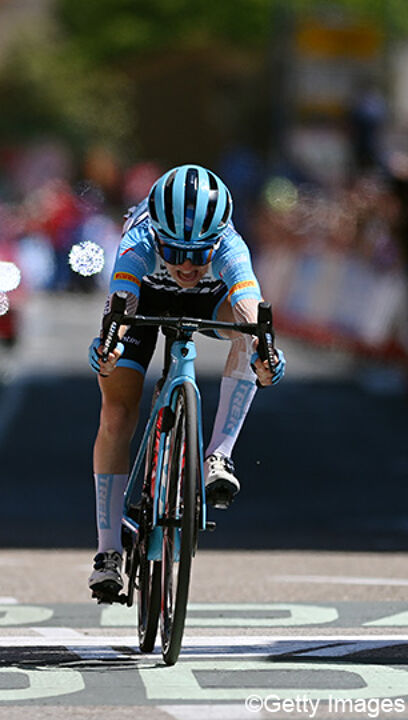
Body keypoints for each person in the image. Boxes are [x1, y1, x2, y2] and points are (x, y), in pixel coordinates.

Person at [87, 164, 286, 601]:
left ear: (217, 240)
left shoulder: (232, 245)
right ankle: (108, 552)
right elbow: (122, 303)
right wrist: (110, 346)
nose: (186, 265)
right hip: (144, 302)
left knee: (245, 331)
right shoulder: (138, 241)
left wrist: (263, 352)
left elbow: (249, 306)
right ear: (157, 235)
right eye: (174, 253)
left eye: (199, 255)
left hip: (209, 304)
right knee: (117, 412)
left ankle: (218, 457)